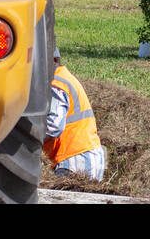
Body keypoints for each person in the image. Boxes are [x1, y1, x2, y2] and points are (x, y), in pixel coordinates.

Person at [44, 49, 105, 182]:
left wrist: (25, 139)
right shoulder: (65, 78)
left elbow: (53, 126)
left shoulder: (56, 83)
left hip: (74, 160)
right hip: (86, 157)